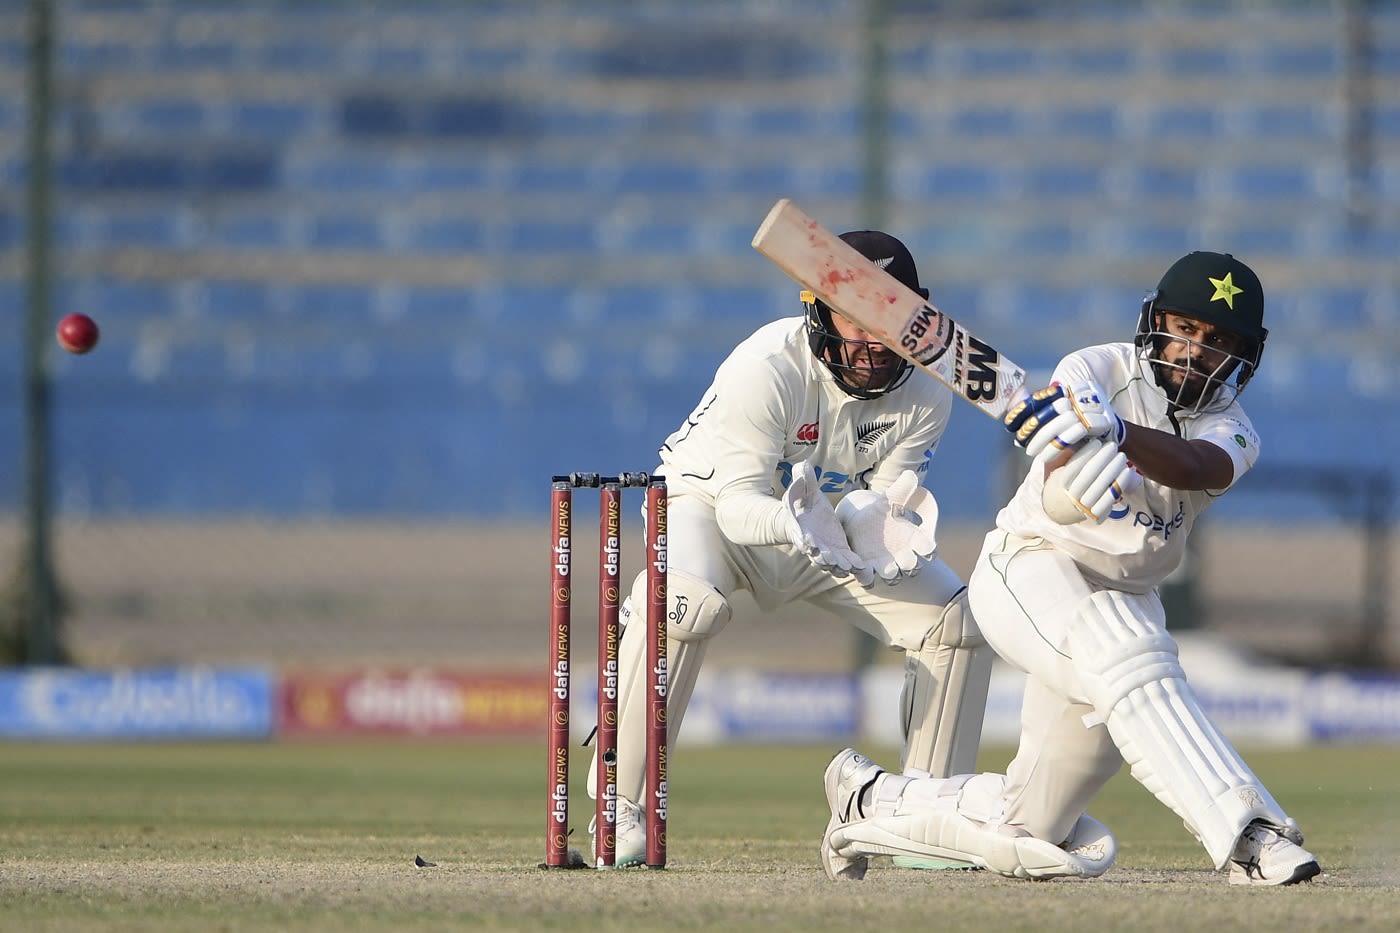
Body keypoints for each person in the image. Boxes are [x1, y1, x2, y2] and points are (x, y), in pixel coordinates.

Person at [818, 250, 1323, 886]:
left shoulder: (1235, 430)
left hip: (1125, 594)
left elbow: (1197, 468)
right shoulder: (1095, 367)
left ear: (1243, 356)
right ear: (1153, 321)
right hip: (1030, 566)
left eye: (1218, 340)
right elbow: (1063, 474)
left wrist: (1117, 436)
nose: (1195, 350)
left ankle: (869, 803)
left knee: (1030, 829)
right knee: (1131, 652)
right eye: (1184, 329)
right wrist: (1087, 443)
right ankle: (1250, 833)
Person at [589, 231, 994, 866]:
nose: (869, 338)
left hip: (824, 529)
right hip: (708, 509)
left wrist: (875, 524)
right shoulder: (768, 365)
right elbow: (737, 505)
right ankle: (618, 800)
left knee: (957, 622)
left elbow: (884, 494)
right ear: (819, 310)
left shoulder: (928, 387)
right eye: (854, 316)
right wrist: (800, 525)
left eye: (887, 316)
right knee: (688, 604)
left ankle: (924, 823)